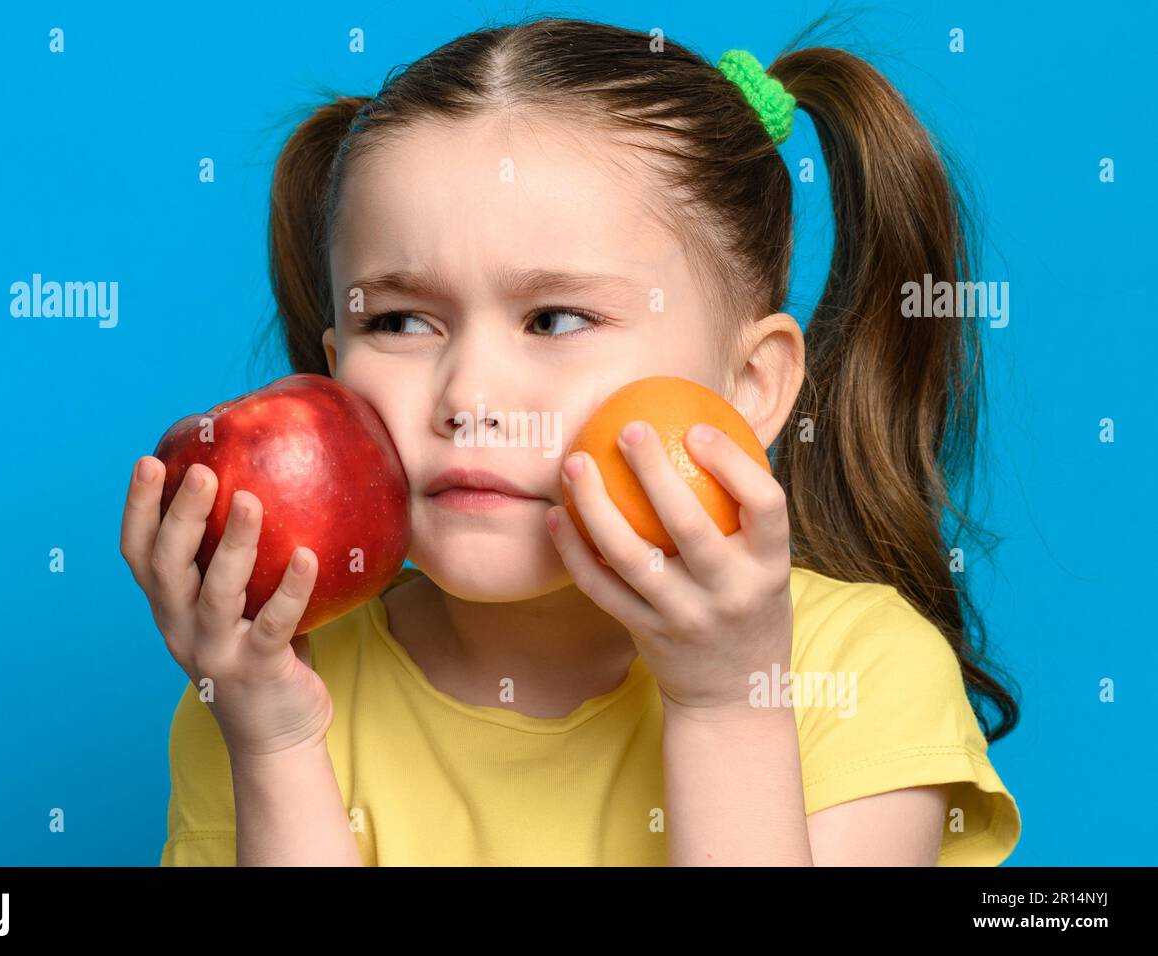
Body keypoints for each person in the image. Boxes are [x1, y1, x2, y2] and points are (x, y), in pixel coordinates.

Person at [121, 16, 1021, 865]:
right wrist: (272, 737)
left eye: (554, 318)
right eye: (400, 321)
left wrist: (726, 703)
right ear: (330, 369)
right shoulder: (266, 690)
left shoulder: (860, 675)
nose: (468, 396)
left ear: (750, 388)